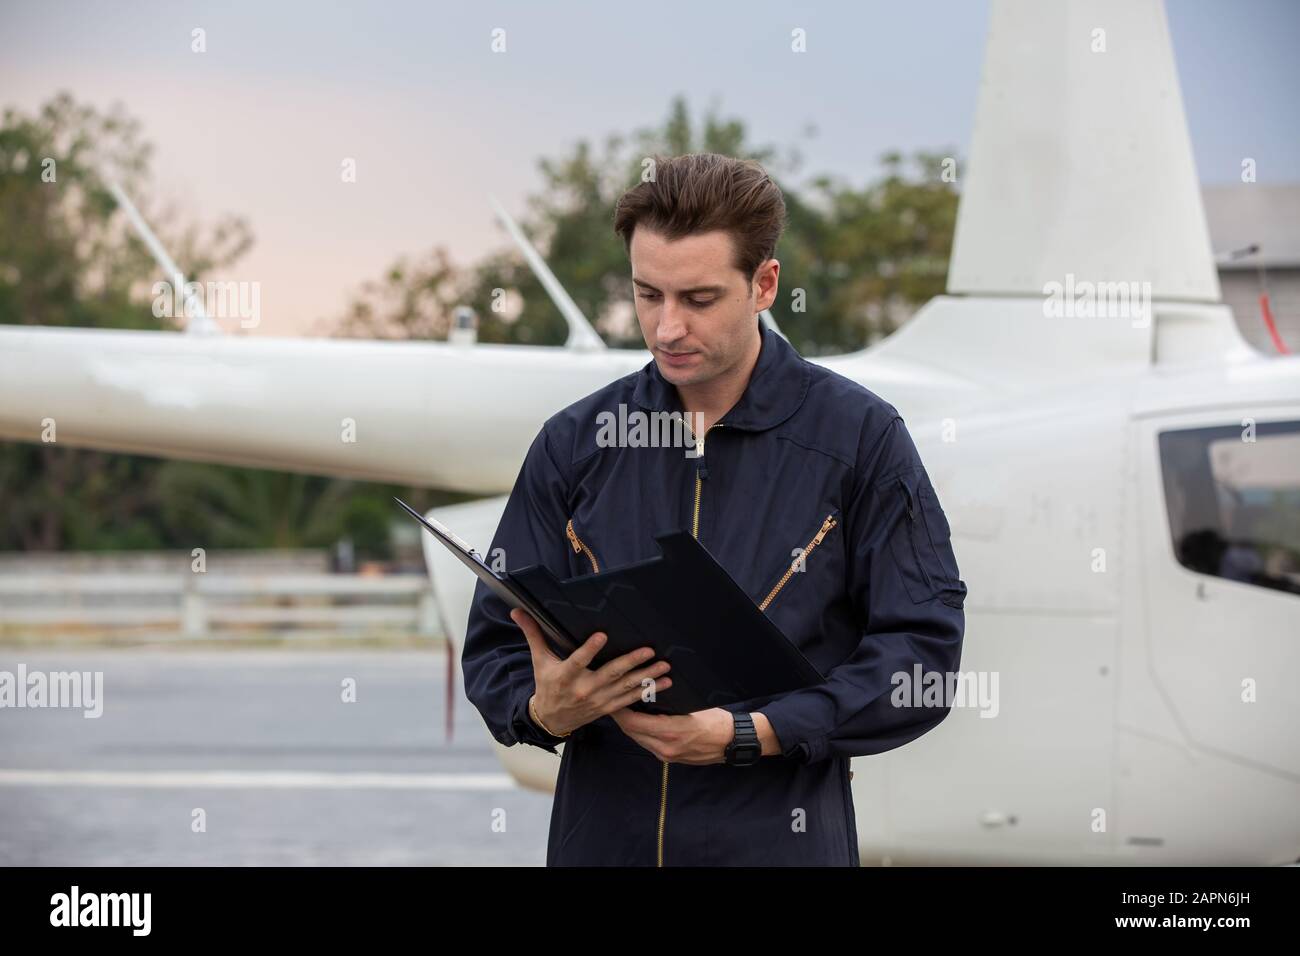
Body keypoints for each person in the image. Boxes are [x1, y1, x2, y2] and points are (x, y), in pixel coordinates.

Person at [461, 152, 967, 866]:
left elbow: (924, 656)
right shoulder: (575, 444)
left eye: (698, 299)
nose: (667, 328)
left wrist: (753, 730)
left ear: (764, 284)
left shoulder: (860, 439)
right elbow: (494, 648)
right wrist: (543, 709)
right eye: (647, 295)